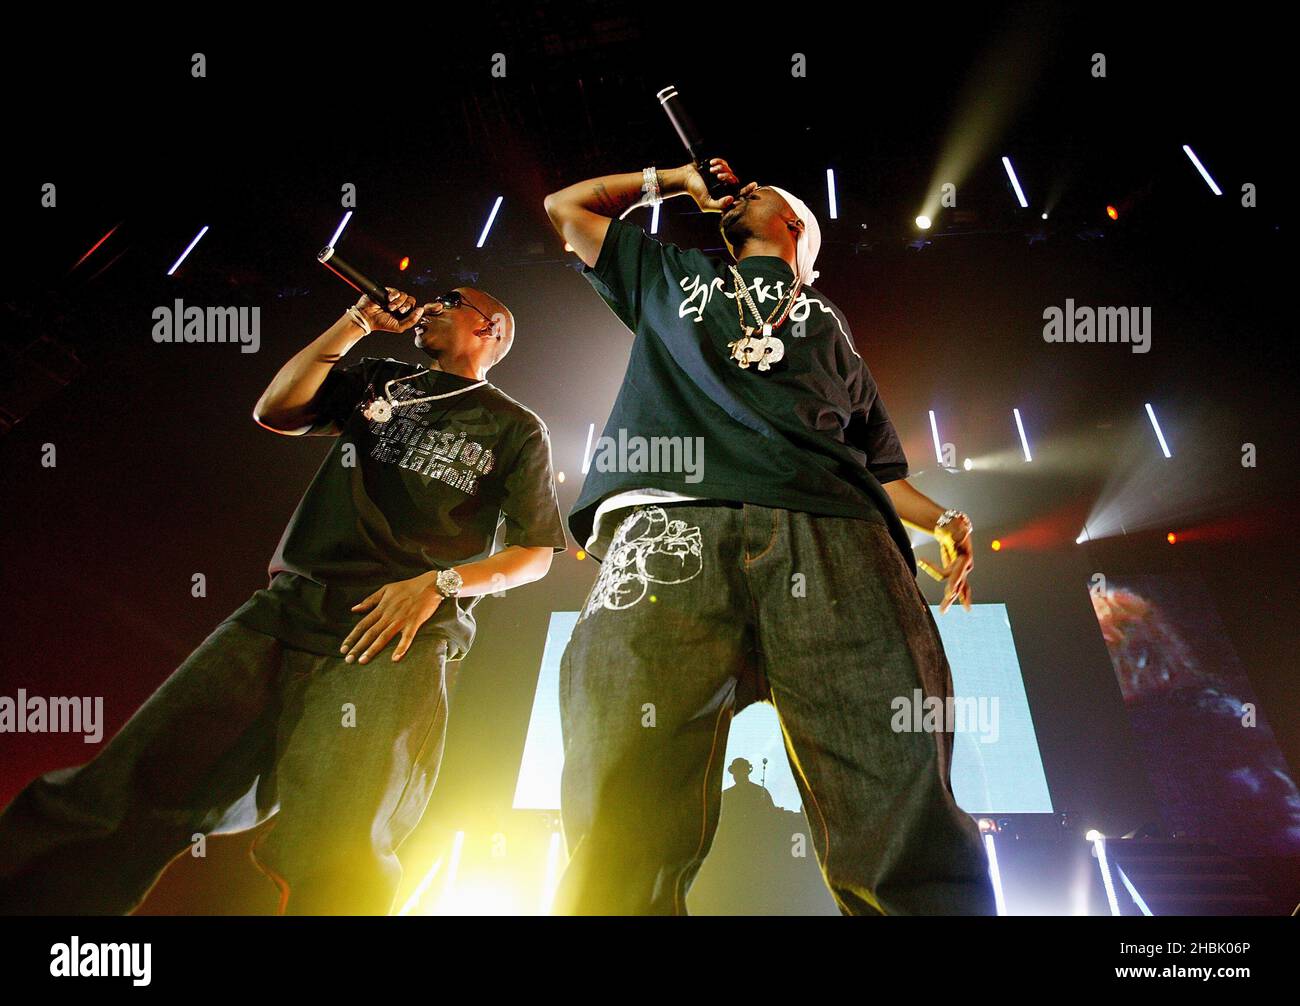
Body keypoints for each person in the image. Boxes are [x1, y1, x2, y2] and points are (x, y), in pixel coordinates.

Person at [0, 285, 567, 914]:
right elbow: (276, 409)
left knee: (337, 842)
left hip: (395, 636)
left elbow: (535, 554)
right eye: (430, 298)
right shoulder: (378, 377)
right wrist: (356, 323)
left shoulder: (517, 426)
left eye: (450, 300)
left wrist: (441, 583)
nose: (431, 305)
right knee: (125, 789)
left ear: (491, 329)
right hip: (291, 604)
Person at [543, 158, 995, 915]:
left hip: (835, 533)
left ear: (794, 226)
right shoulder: (670, 272)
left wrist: (945, 520)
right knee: (623, 795)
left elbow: (878, 468)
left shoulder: (830, 325)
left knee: (894, 788)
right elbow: (565, 206)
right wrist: (672, 180)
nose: (741, 188)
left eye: (764, 191)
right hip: (669, 525)